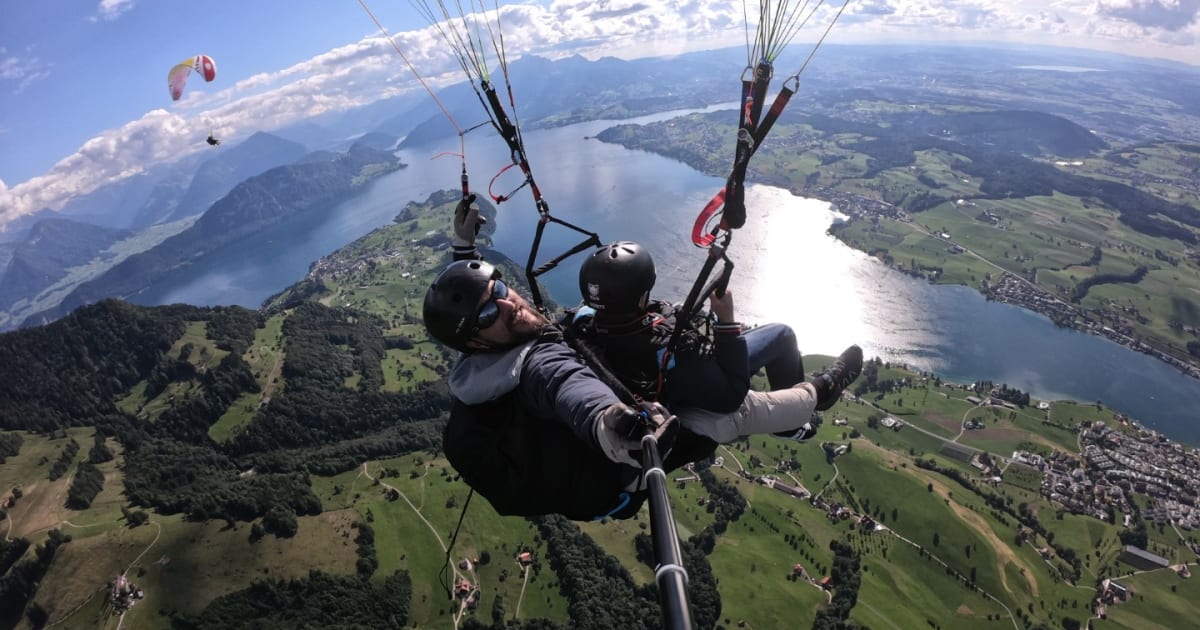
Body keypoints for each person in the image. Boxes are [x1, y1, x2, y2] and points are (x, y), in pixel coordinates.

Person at [423, 196, 861, 520]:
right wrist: (609, 420)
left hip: (626, 418)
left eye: (499, 289)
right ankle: (816, 398)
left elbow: (485, 321)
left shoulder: (486, 360)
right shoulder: (534, 363)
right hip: (632, 453)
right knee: (731, 415)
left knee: (716, 406)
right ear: (476, 343)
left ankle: (800, 414)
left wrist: (464, 249)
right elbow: (566, 387)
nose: (506, 303)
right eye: (487, 312)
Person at [574, 240, 860, 441]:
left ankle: (795, 418)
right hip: (690, 389)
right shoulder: (668, 350)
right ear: (640, 297)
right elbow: (730, 395)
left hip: (652, 382)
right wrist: (727, 322)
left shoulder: (584, 327)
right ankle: (796, 419)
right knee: (783, 335)